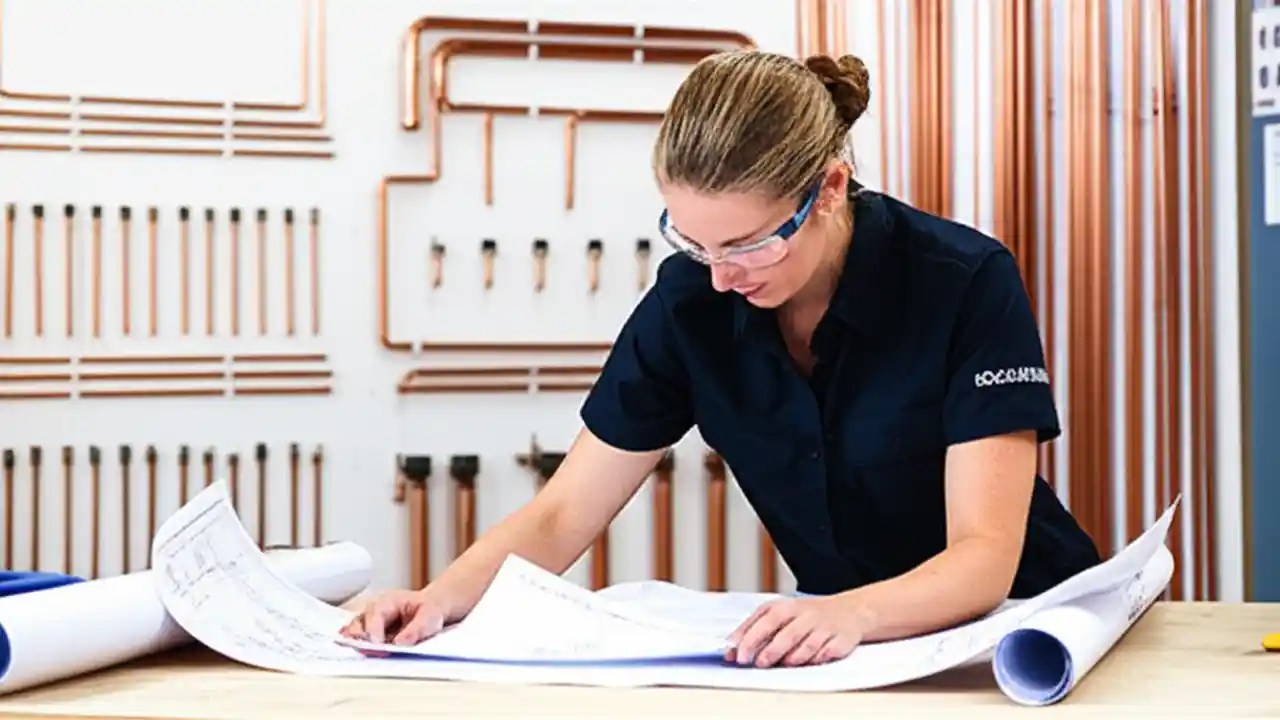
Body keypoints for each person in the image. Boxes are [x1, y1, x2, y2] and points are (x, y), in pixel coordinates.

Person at [342, 49, 1101, 668]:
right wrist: (442, 598)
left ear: (829, 189)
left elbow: (985, 555)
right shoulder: (690, 304)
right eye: (693, 240)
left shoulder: (963, 281)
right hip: (844, 650)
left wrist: (852, 612)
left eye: (747, 243)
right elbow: (564, 512)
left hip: (1022, 633)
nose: (721, 275)